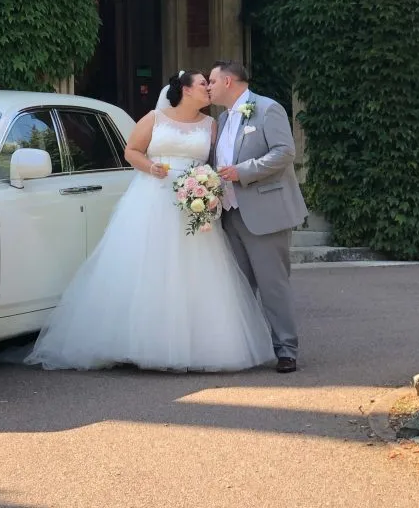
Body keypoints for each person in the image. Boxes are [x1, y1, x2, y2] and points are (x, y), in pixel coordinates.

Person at [23, 71, 276, 372]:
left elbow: (217, 160)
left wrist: (207, 186)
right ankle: (130, 343)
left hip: (192, 203)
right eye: (202, 84)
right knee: (146, 266)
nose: (208, 89)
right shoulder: (155, 118)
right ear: (185, 90)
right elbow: (131, 151)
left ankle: (195, 345)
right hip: (153, 198)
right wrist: (151, 167)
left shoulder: (211, 125)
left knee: (194, 271)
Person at [208, 61, 308, 373]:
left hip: (264, 211)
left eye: (212, 81)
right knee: (240, 287)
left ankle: (286, 349)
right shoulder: (222, 118)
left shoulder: (267, 109)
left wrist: (243, 171)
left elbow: (284, 152)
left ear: (228, 81)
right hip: (230, 213)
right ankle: (250, 349)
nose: (208, 87)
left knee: (273, 285)